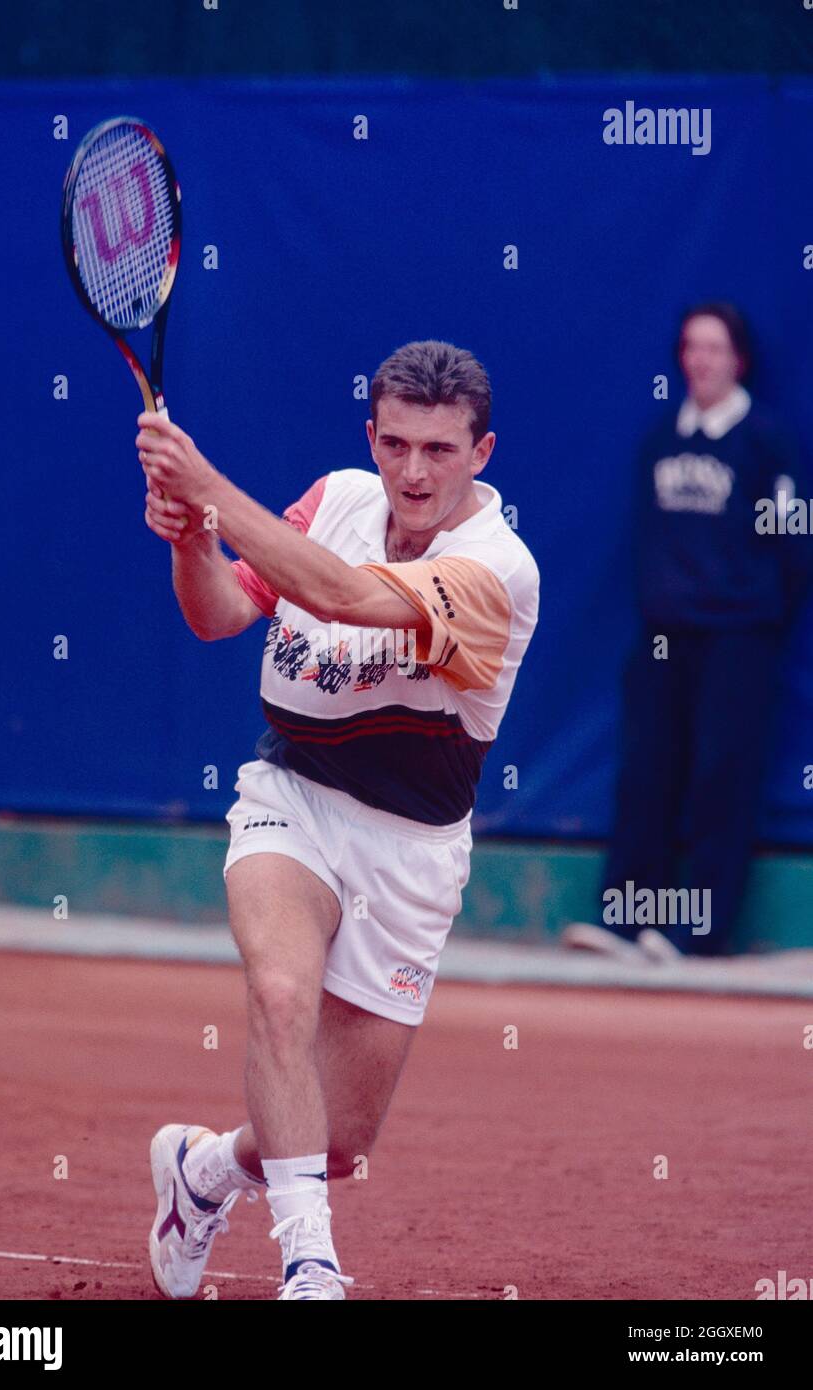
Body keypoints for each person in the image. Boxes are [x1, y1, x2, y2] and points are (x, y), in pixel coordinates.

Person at [136, 341, 540, 1299]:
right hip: (293, 801)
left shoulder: (498, 569)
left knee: (343, 1141)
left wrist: (207, 487)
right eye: (395, 443)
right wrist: (196, 539)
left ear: (482, 453)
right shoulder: (335, 499)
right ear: (371, 436)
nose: (412, 471)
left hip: (413, 846)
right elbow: (223, 612)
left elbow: (345, 595)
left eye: (440, 450)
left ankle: (200, 1174)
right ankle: (310, 1266)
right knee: (280, 993)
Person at [565, 303, 811, 965]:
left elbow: (794, 546)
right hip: (664, 637)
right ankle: (625, 919)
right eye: (691, 347)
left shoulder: (767, 440)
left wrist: (753, 617)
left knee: (720, 778)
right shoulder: (661, 440)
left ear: (739, 359)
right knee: (646, 774)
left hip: (738, 639)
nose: (701, 360)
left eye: (715, 347)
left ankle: (695, 933)